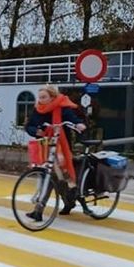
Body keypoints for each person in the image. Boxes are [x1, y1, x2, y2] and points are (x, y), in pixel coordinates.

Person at [25, 84, 87, 219]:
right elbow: (29, 125)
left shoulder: (61, 107)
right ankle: (70, 201)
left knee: (53, 175)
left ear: (52, 97)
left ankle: (39, 210)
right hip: (45, 146)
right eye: (39, 97)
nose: (41, 100)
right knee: (57, 178)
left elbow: (71, 118)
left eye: (44, 97)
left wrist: (78, 124)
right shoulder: (38, 109)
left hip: (61, 147)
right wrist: (36, 131)